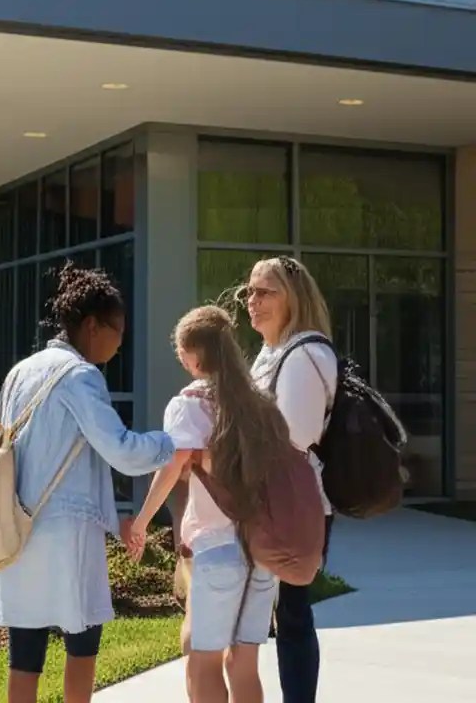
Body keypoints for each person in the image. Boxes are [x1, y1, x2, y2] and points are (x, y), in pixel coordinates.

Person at [0, 262, 176, 703]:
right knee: (83, 643)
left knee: (25, 655)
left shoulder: (20, 371)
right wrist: (174, 442)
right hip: (66, 532)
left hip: (16, 529)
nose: (119, 344)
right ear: (93, 326)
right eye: (118, 332)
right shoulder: (80, 375)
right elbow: (122, 451)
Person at [129, 305, 288, 703]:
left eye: (182, 354)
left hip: (217, 550)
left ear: (194, 357)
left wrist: (141, 522)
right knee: (244, 666)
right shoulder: (261, 404)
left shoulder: (189, 404)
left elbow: (171, 468)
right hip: (263, 552)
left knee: (203, 664)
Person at [245, 256, 337, 703]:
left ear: (293, 299)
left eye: (264, 292)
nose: (251, 301)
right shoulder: (271, 353)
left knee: (294, 615)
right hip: (271, 501)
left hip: (297, 504)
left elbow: (294, 438)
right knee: (280, 616)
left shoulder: (305, 354)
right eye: (249, 291)